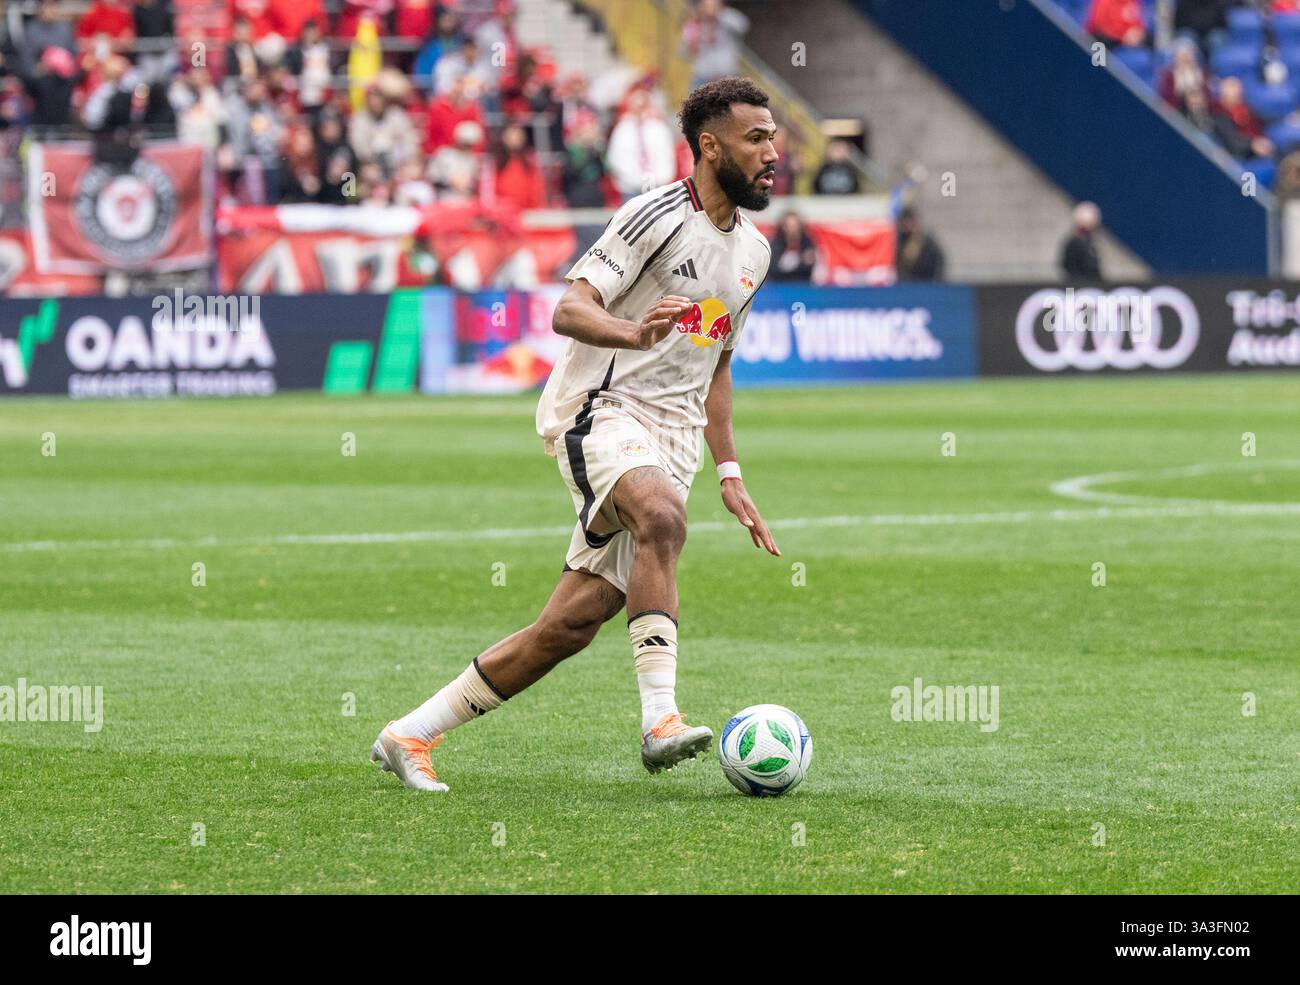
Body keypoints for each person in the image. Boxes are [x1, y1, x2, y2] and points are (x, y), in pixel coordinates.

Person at [373, 77, 782, 791]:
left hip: (674, 439)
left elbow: (718, 364)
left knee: (569, 625)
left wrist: (730, 472)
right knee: (661, 515)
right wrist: (632, 331)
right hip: (599, 405)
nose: (772, 152)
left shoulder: (754, 252)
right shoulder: (655, 215)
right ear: (710, 146)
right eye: (756, 138)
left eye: (773, 137)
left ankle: (409, 733)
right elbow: (569, 309)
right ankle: (660, 721)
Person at [894, 206, 945, 282]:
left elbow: (938, 262)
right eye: (905, 221)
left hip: (925, 281)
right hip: (904, 283)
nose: (908, 224)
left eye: (910, 221)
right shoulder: (897, 240)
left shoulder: (926, 241)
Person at [1060, 201, 1102, 281]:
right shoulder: (1073, 244)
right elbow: (1069, 269)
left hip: (1092, 285)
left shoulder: (1090, 242)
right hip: (1079, 285)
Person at [769, 210, 817, 281]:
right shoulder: (775, 244)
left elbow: (808, 269)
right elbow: (773, 270)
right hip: (779, 284)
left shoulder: (807, 243)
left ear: (800, 226)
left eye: (794, 226)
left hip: (802, 284)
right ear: (783, 227)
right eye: (789, 226)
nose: (792, 229)